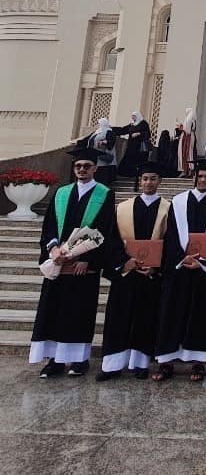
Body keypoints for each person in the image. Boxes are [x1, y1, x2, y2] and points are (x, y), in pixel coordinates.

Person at [30, 148, 116, 378]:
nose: (82, 169)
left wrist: (88, 260)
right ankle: (54, 360)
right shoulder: (62, 193)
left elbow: (105, 230)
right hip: (59, 262)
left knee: (79, 311)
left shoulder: (105, 194)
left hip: (82, 267)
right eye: (78, 166)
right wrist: (53, 249)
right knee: (54, 309)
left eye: (87, 166)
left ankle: (79, 360)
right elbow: (49, 225)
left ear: (95, 168)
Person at [152, 159, 206, 382]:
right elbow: (171, 235)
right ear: (194, 177)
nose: (203, 179)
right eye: (200, 176)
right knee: (172, 313)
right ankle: (166, 362)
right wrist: (181, 258)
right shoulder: (178, 201)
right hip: (179, 270)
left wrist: (204, 263)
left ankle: (198, 362)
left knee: (202, 315)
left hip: (204, 271)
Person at [96, 161, 171, 381]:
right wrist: (124, 262)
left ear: (159, 181)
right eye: (145, 178)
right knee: (118, 318)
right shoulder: (123, 208)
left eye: (153, 179)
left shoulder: (168, 209)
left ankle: (140, 364)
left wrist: (156, 266)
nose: (148, 183)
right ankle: (112, 365)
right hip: (126, 273)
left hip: (150, 275)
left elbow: (171, 242)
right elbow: (111, 239)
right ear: (140, 181)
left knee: (145, 318)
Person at [76, 117, 117, 185]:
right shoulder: (96, 132)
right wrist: (78, 142)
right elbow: (87, 140)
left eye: (98, 123)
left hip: (103, 157)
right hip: (93, 156)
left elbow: (112, 141)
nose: (97, 125)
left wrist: (104, 142)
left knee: (101, 174)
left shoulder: (109, 131)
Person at [115, 112, 152, 177]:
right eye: (132, 116)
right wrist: (111, 129)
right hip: (131, 146)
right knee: (128, 160)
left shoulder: (143, 123)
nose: (133, 118)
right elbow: (123, 130)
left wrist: (138, 133)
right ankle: (127, 174)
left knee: (138, 161)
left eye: (134, 116)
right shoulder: (132, 124)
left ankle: (137, 174)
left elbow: (147, 134)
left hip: (139, 147)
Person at [177, 108, 196, 177]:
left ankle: (187, 170)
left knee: (187, 153)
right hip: (189, 137)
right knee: (187, 153)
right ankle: (187, 170)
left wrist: (181, 128)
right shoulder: (192, 119)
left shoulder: (189, 119)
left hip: (187, 138)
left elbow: (187, 131)